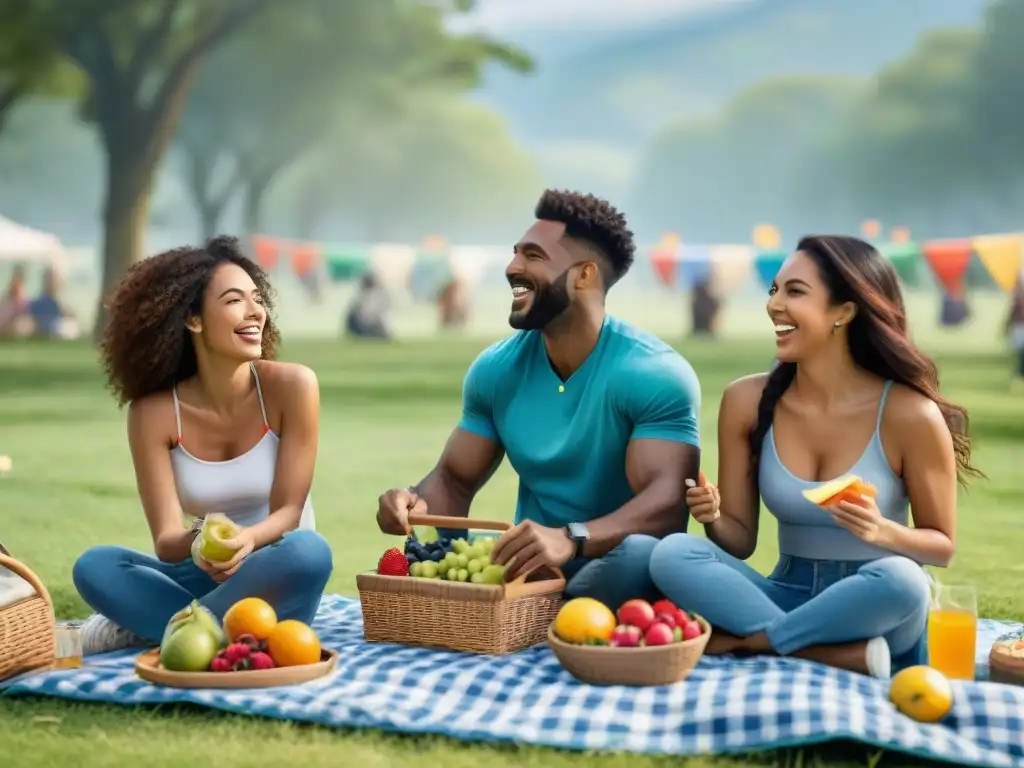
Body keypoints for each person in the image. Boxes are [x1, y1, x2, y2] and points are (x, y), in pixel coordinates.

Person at [649, 235, 980, 679]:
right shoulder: (746, 400)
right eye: (774, 290)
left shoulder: (909, 414)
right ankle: (826, 653)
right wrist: (712, 516)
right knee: (672, 553)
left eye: (795, 292)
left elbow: (943, 546)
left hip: (873, 603)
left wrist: (884, 532)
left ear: (844, 311)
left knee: (906, 580)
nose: (774, 304)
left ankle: (747, 644)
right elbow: (740, 542)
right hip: (782, 593)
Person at [375, 189, 702, 608]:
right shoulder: (495, 369)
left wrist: (572, 538)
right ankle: (528, 602)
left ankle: (551, 604)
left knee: (643, 556)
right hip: (531, 565)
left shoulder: (654, 374)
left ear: (584, 275)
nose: (513, 267)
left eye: (533, 256)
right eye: (516, 253)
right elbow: (454, 480)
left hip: (614, 565)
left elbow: (668, 504)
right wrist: (413, 501)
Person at [72, 236, 333, 654]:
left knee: (310, 551)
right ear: (193, 319)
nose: (255, 313)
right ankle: (215, 635)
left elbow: (289, 512)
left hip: (277, 571)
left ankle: (167, 629)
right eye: (234, 301)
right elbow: (166, 541)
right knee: (96, 566)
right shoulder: (153, 414)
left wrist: (247, 540)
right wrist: (199, 541)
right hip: (203, 571)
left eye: (256, 298)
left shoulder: (292, 387)